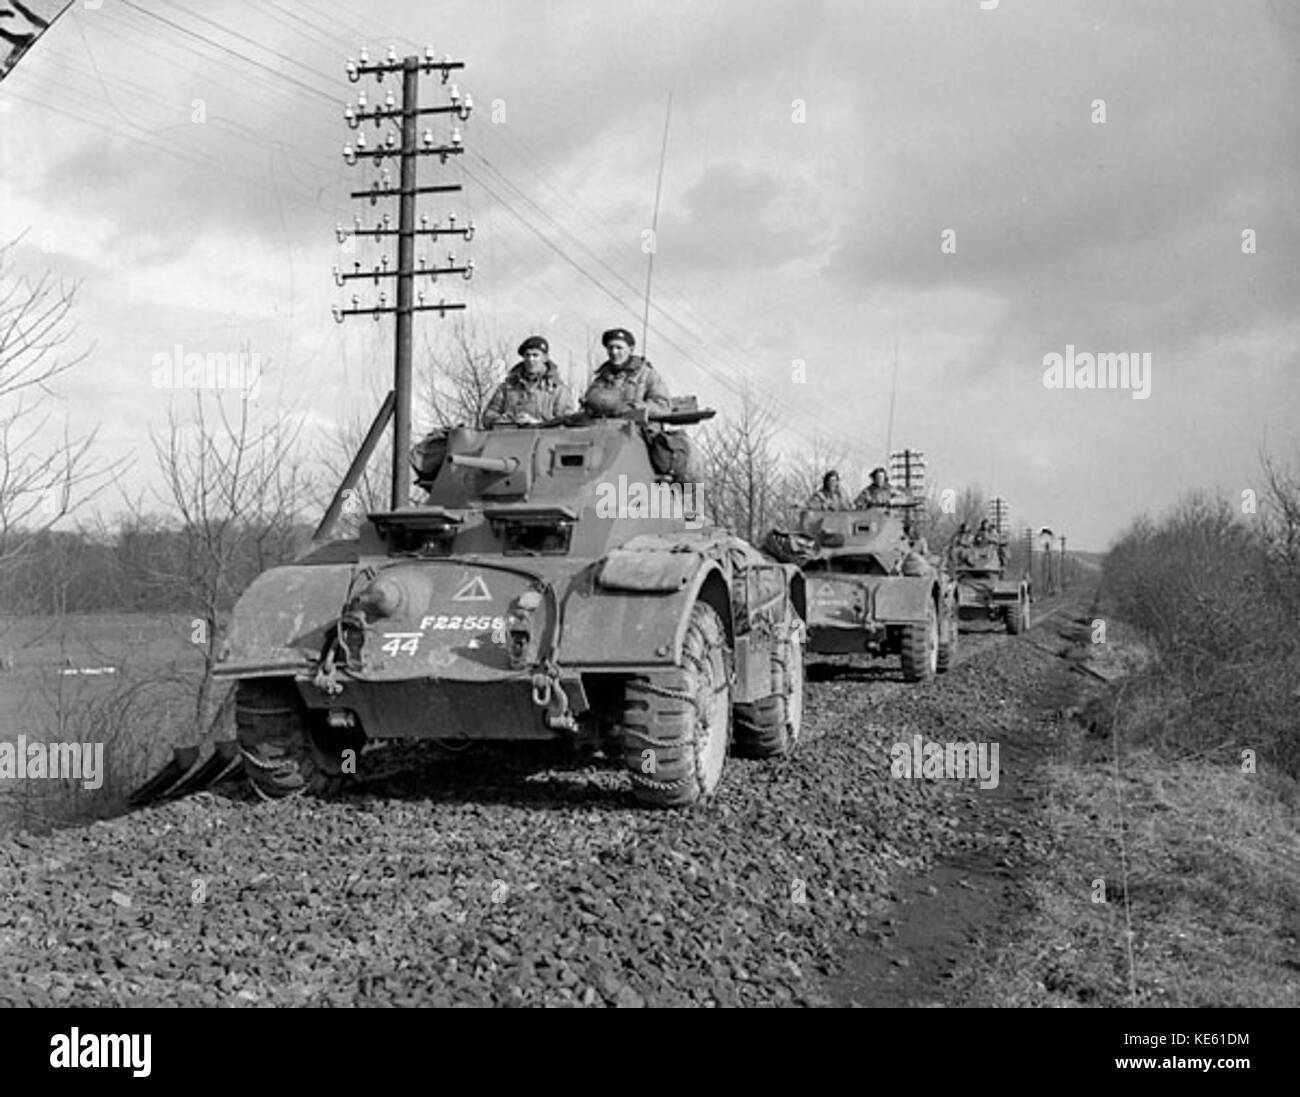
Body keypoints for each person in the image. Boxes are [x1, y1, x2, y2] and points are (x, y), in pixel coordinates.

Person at [481, 336, 576, 428]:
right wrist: (504, 421)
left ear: (545, 358)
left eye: (535, 355)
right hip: (509, 440)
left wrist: (537, 423)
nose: (531, 359)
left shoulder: (558, 390)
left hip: (545, 441)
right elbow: (489, 416)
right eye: (527, 355)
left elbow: (567, 423)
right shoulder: (508, 387)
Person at [582, 328, 671, 419]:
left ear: (631, 349)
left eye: (619, 348)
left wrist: (632, 407)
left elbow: (662, 406)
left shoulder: (647, 375)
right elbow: (587, 409)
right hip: (603, 429)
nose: (614, 352)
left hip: (639, 429)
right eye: (610, 348)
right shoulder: (601, 379)